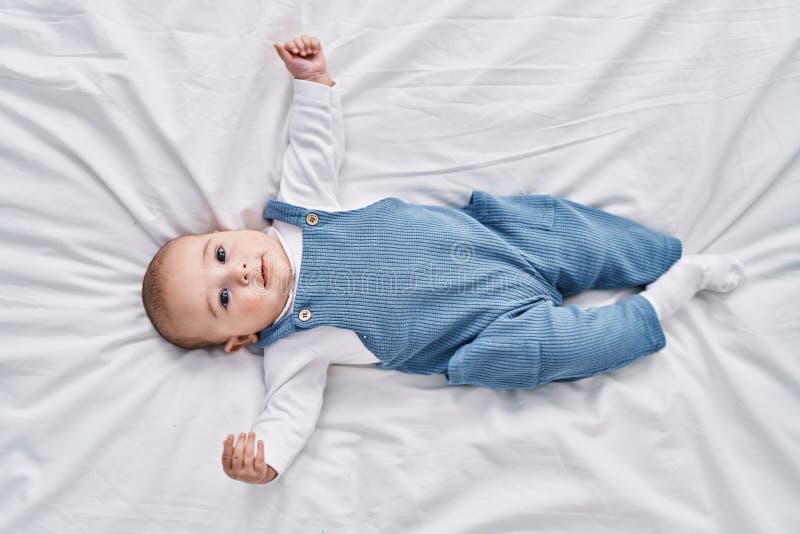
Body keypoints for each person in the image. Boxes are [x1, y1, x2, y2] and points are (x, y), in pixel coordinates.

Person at [141, 35, 744, 485]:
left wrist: (313, 82)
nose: (239, 272)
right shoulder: (295, 349)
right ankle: (668, 297)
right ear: (240, 339)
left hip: (498, 240)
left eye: (220, 254)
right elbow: (288, 418)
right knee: (556, 353)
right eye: (224, 297)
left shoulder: (299, 213)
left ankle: (666, 257)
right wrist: (264, 462)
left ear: (228, 232)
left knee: (567, 229)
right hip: (487, 333)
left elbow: (313, 147)